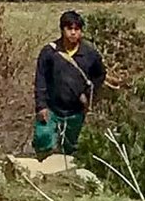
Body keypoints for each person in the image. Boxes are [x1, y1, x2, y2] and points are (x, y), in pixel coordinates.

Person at [33, 9, 106, 156]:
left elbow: (100, 75)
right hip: (51, 108)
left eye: (77, 29)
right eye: (69, 28)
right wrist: (41, 106)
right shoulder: (49, 52)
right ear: (62, 30)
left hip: (76, 111)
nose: (73, 33)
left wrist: (88, 95)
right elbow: (40, 79)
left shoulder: (90, 54)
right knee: (43, 138)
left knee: (71, 148)